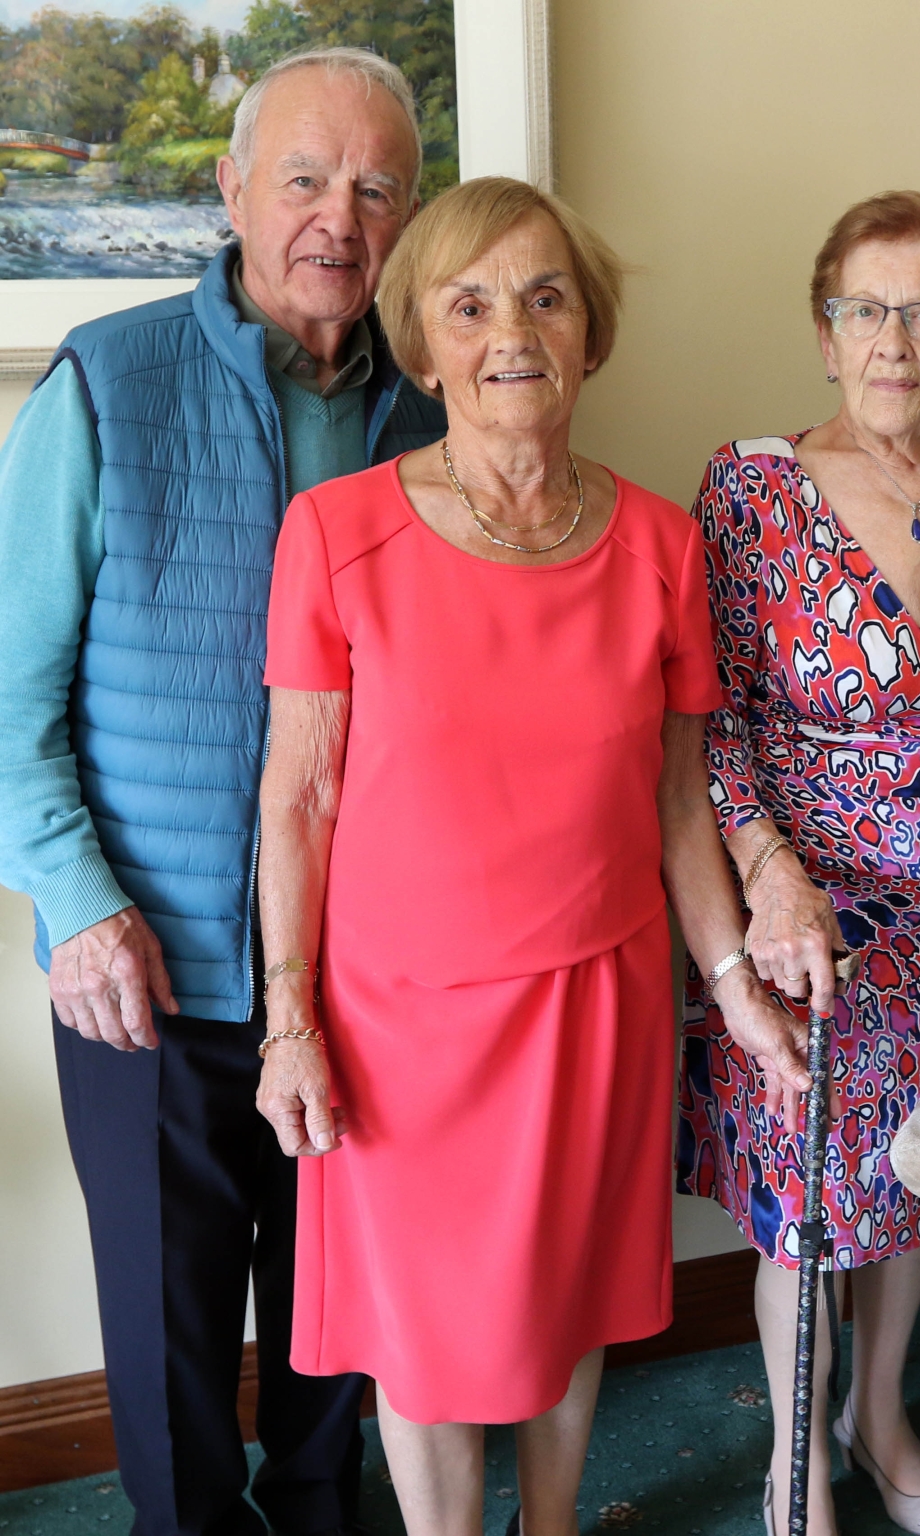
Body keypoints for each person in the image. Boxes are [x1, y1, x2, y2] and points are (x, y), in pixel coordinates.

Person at [253, 176, 809, 1534]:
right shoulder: (336, 535)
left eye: (547, 297)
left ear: (590, 337)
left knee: (569, 1306)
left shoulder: (663, 546)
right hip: (401, 1021)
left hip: (599, 1000)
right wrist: (289, 1022)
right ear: (424, 346)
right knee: (424, 1345)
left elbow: (678, 801)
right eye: (473, 303)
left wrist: (731, 982)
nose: (514, 331)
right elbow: (300, 799)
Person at [0, 48, 443, 1536]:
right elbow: (10, 704)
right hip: (149, 967)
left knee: (338, 1322)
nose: (339, 217)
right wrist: (76, 904)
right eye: (305, 177)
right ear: (230, 188)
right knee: (174, 1347)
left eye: (378, 186)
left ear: (414, 214)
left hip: (365, 970)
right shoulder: (108, 385)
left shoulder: (442, 423)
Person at [678, 189, 920, 1536]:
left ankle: (883, 1415)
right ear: (826, 333)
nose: (893, 339)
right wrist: (768, 875)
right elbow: (704, 720)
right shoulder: (750, 492)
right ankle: (801, 1462)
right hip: (805, 913)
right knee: (804, 1205)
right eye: (864, 308)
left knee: (917, 1179)